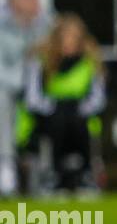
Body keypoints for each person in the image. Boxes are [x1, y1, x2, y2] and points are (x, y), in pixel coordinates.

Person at [23, 12, 106, 195]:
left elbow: (98, 98)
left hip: (80, 115)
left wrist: (77, 107)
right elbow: (32, 97)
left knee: (76, 120)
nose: (69, 43)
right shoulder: (42, 62)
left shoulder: (89, 63)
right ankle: (53, 174)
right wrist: (54, 107)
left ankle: (85, 173)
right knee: (59, 121)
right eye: (65, 37)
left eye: (73, 38)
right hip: (49, 116)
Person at [0, 0, 50, 195]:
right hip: (8, 85)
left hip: (40, 86)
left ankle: (50, 167)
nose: (32, 1)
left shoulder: (47, 24)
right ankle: (6, 164)